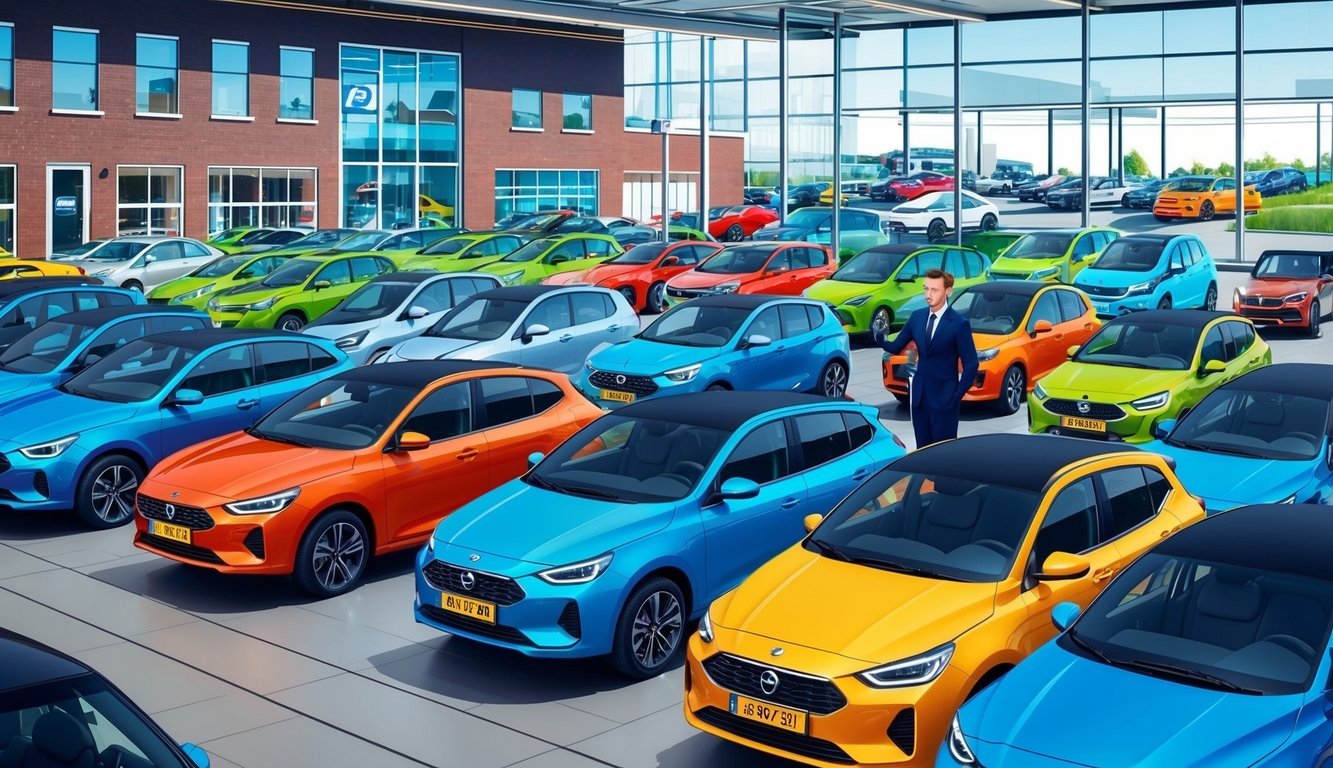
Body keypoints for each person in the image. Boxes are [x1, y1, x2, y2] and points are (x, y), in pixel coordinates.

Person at [873, 268, 979, 448]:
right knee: (922, 453)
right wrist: (879, 336)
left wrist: (955, 396)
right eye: (926, 289)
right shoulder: (917, 317)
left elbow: (971, 364)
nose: (928, 295)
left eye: (934, 290)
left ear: (948, 291)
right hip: (920, 400)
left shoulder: (959, 324)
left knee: (942, 456)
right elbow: (895, 346)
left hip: (945, 402)